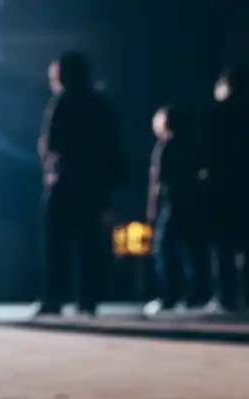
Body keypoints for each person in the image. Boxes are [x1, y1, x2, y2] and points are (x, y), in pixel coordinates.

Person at [37, 51, 125, 316]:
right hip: (95, 184)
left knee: (57, 243)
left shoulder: (62, 103)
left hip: (66, 181)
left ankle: (55, 297)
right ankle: (88, 300)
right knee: (90, 245)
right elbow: (114, 145)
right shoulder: (101, 104)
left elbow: (52, 144)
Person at [201, 66, 249, 313]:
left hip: (223, 185)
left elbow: (209, 150)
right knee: (248, 244)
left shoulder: (219, 114)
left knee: (223, 244)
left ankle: (226, 295)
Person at [144, 106, 202, 315]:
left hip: (173, 203)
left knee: (163, 248)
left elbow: (158, 182)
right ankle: (195, 294)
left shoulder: (167, 146)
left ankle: (169, 295)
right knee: (191, 250)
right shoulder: (192, 144)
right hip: (191, 203)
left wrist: (153, 209)